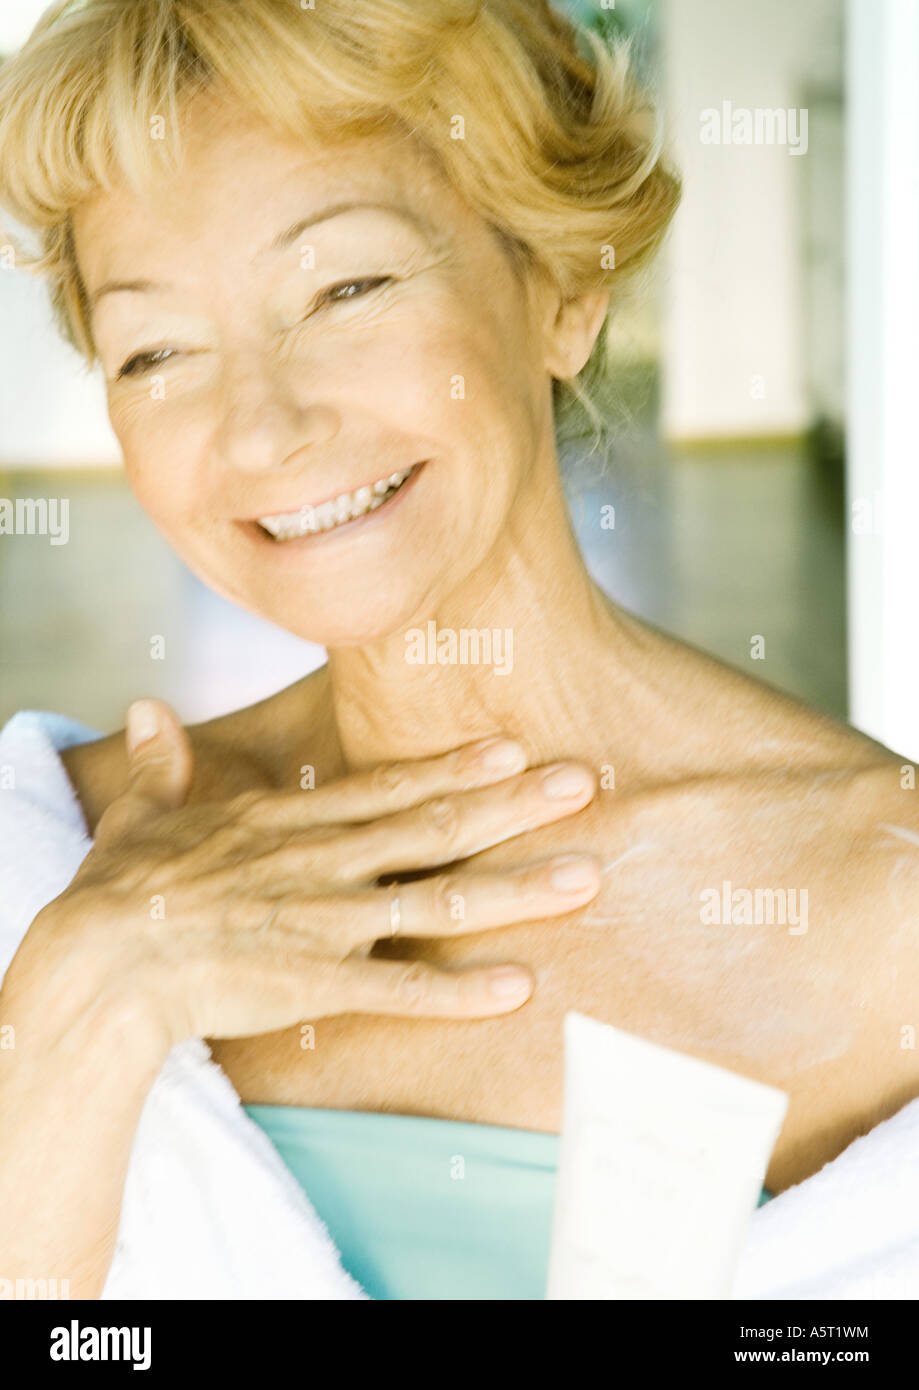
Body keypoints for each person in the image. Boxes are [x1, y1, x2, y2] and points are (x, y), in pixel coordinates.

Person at [1, 0, 916, 1300]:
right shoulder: (39, 867)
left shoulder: (888, 910)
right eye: (156, 350)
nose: (261, 429)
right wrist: (75, 1005)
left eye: (346, 287)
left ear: (564, 285)